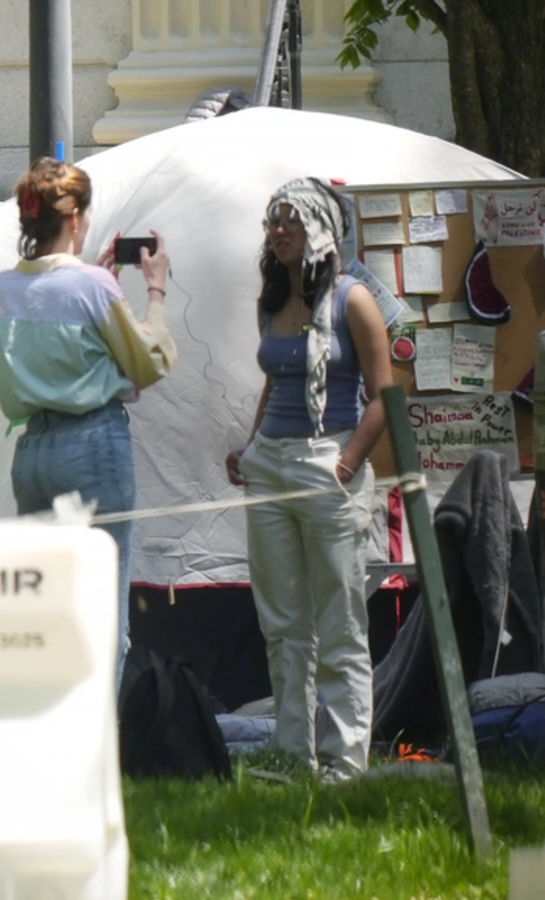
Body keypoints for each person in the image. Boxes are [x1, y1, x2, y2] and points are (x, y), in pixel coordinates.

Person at [0, 158, 177, 685]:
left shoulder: (3, 289)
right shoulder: (93, 286)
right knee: (101, 606)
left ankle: (47, 735)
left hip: (33, 452)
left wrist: (99, 278)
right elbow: (147, 362)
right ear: (75, 219)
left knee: (45, 607)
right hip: (93, 445)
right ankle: (99, 748)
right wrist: (154, 291)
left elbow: (41, 349)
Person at [225, 177, 391, 781]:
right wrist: (252, 445)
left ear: (323, 227)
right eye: (274, 221)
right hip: (271, 463)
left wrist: (346, 466)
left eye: (292, 220)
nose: (280, 231)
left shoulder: (353, 301)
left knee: (340, 622)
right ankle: (295, 756)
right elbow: (275, 383)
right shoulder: (271, 299)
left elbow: (383, 399)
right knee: (282, 624)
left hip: (331, 460)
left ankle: (345, 766)